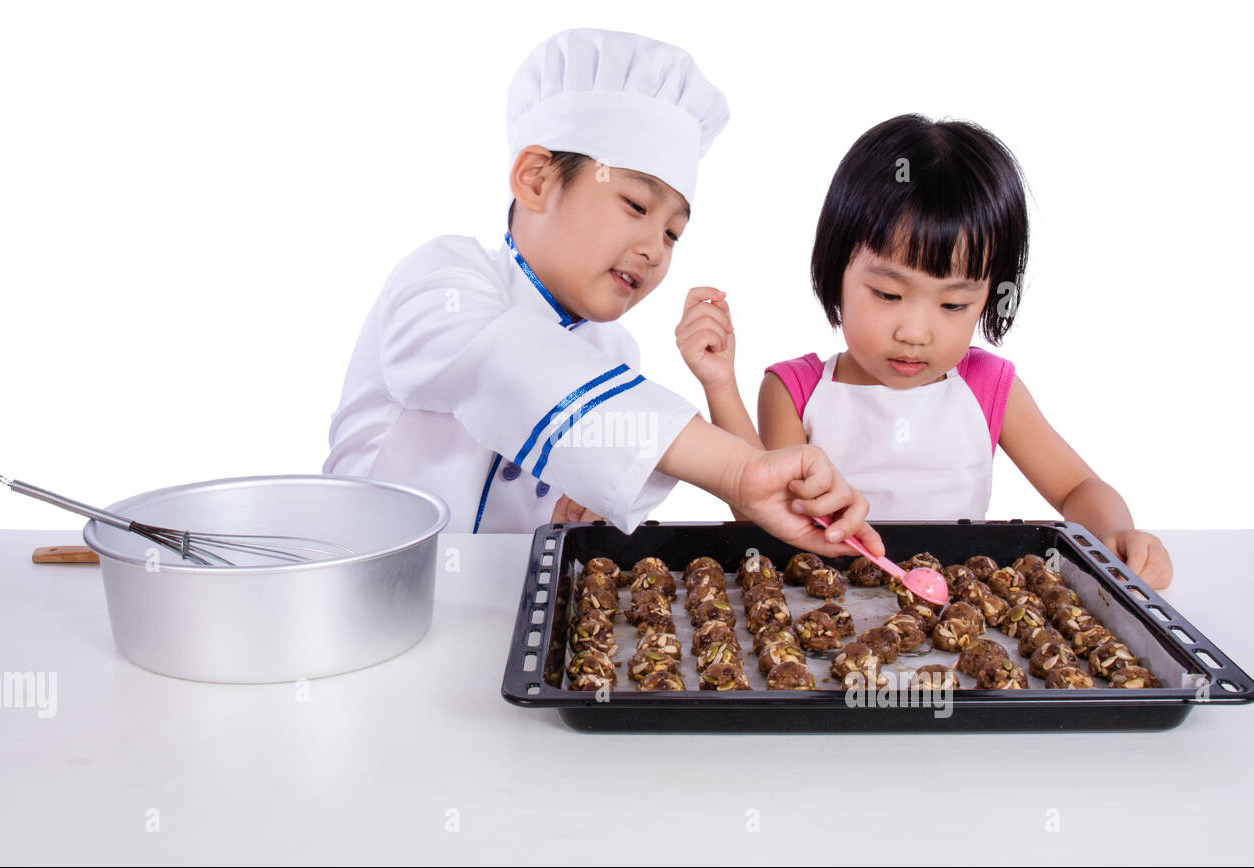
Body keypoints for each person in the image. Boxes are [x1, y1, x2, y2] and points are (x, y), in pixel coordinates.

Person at [323, 27, 881, 557]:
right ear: (536, 178)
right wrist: (738, 471)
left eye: (672, 232)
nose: (655, 248)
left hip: (507, 632)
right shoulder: (441, 277)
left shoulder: (615, 356)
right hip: (365, 611)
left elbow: (605, 450)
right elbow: (509, 366)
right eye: (636, 206)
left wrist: (573, 526)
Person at [675, 113, 1172, 588]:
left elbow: (1076, 489)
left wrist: (1117, 536)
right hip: (823, 617)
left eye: (954, 303)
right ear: (835, 272)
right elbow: (763, 512)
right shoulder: (795, 390)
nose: (916, 332)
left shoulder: (988, 388)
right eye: (888, 295)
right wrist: (720, 384)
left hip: (956, 620)